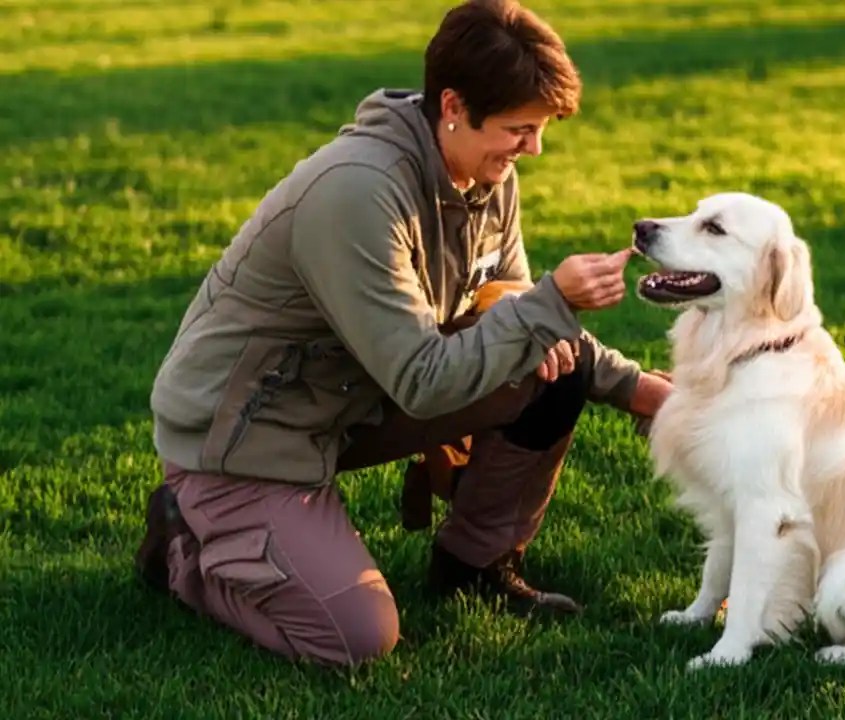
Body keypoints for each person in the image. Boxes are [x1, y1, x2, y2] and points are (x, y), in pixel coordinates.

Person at [133, 0, 672, 667]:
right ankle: (186, 547)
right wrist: (555, 299)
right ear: (453, 104)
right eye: (519, 128)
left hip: (352, 401)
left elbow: (525, 328)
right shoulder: (357, 192)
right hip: (250, 440)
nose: (533, 148)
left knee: (544, 365)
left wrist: (641, 391)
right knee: (356, 637)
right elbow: (423, 380)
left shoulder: (485, 172)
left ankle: (475, 565)